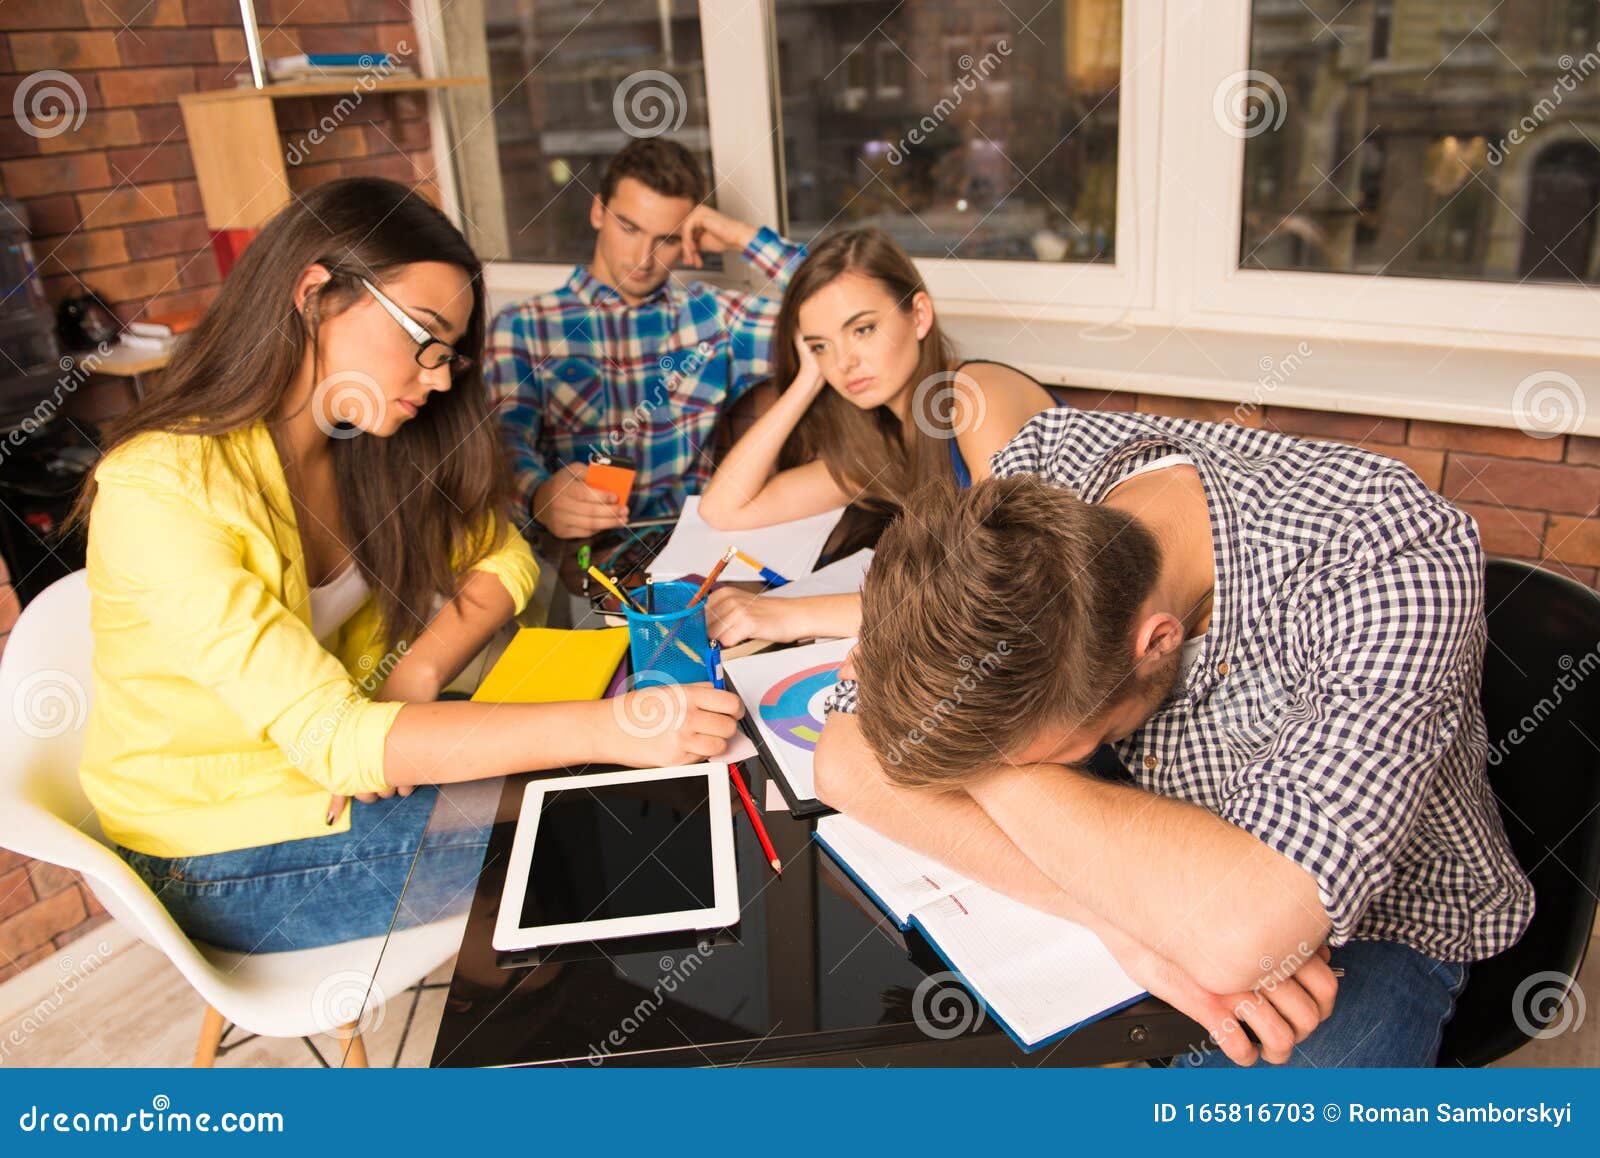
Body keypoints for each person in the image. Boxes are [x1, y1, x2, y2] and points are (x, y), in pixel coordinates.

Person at [76, 178, 744, 955]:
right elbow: (336, 738)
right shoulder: (160, 487)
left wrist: (420, 670)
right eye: (423, 337)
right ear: (314, 295)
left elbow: (502, 551)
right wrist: (611, 728)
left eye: (450, 353)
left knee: (622, 789)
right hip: (211, 848)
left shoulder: (360, 446)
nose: (439, 377)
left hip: (346, 765)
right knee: (585, 832)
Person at [811, 406, 1535, 1067]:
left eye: (1036, 760)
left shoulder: (1390, 556)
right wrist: (1123, 924)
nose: (1003, 765)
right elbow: (843, 760)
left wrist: (984, 766)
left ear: (1157, 644)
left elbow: (1245, 935)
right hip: (1146, 870)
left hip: (1374, 926)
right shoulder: (1039, 473)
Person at [697, 227, 1058, 647]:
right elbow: (724, 508)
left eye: (863, 329)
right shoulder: (879, 446)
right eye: (820, 346)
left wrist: (791, 615)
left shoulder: (975, 395)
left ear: (919, 316)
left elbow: (1008, 583)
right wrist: (807, 380)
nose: (844, 363)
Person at [488, 137, 808, 541]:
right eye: (629, 227)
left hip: (694, 545)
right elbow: (503, 442)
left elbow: (844, 309)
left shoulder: (715, 317)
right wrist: (539, 497)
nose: (644, 257)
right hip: (579, 552)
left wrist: (741, 236)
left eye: (668, 239)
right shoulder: (522, 326)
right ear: (598, 212)